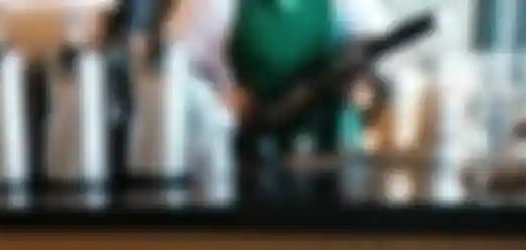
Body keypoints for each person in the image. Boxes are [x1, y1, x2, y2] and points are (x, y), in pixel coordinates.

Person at [166, 0, 394, 157]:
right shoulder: (209, 5)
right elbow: (169, 74)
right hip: (247, 167)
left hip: (334, 164)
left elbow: (386, 71)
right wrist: (217, 104)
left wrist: (364, 88)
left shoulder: (351, 5)